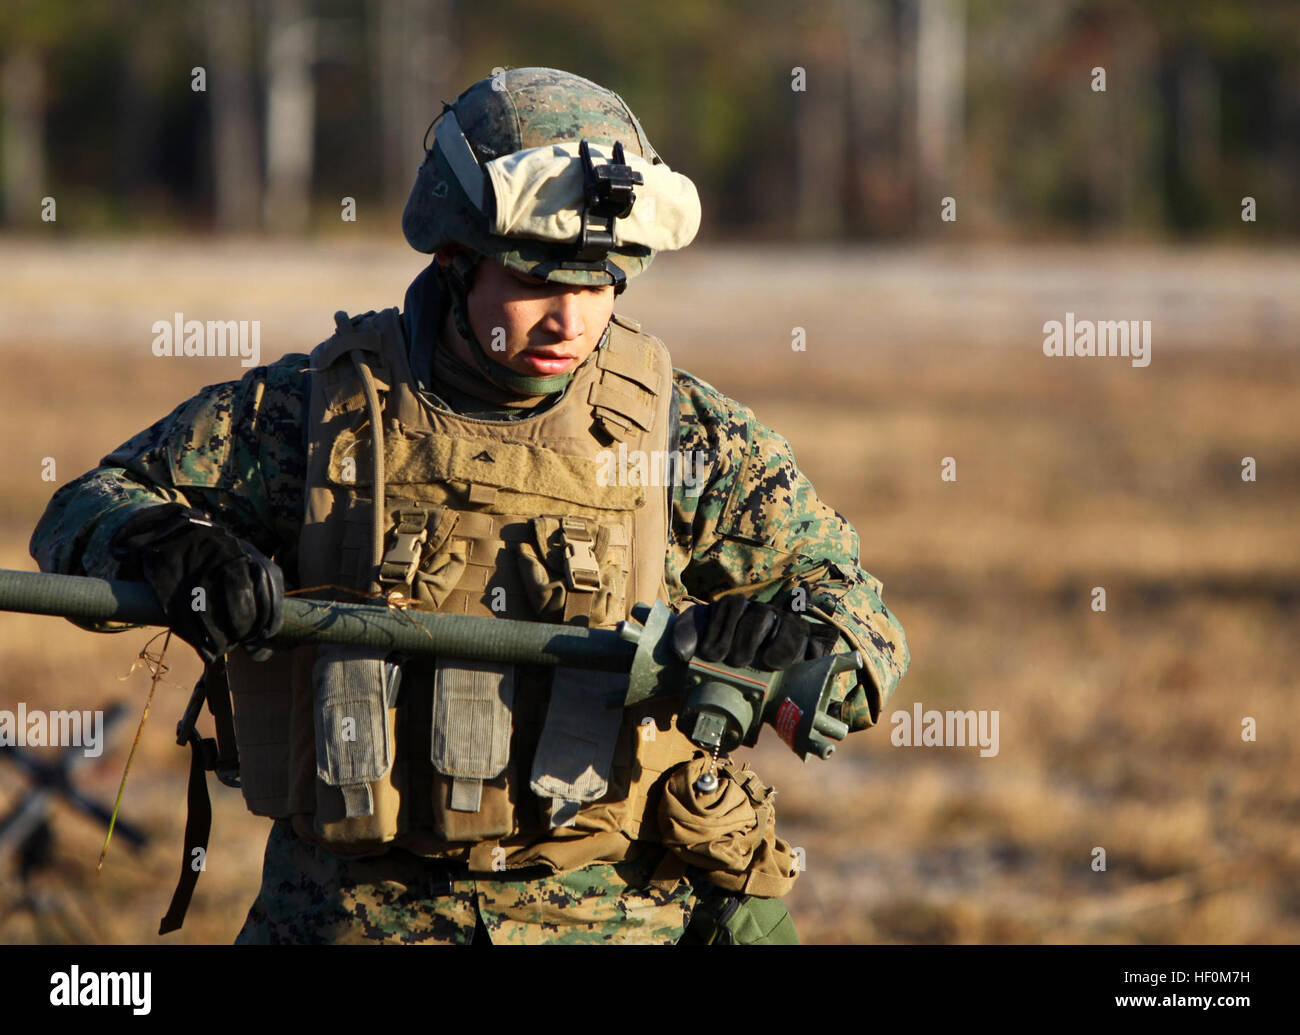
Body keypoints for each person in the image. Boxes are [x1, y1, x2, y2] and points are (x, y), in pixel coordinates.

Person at [29, 67, 908, 945]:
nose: (571, 318)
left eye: (601, 283)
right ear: (454, 260)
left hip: (612, 913)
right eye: (537, 280)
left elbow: (863, 626)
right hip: (349, 917)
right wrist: (169, 546)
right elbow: (84, 508)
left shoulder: (683, 436)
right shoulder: (316, 414)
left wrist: (788, 639)